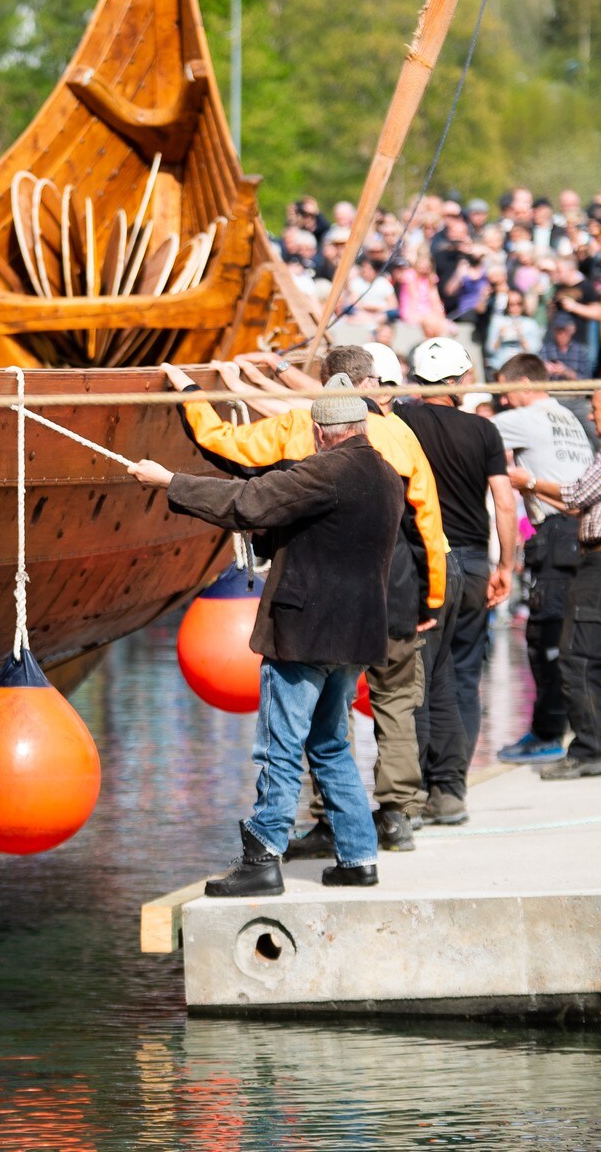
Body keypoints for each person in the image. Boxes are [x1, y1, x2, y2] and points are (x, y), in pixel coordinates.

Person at [128, 379, 404, 894]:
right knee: (330, 745)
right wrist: (272, 534)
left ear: (321, 431)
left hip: (304, 633)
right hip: (355, 635)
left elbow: (248, 501)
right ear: (360, 426)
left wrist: (169, 482)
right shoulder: (387, 475)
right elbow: (330, 535)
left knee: (279, 745)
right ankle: (358, 857)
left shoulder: (325, 470)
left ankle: (263, 858)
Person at [167, 344, 447, 852]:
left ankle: (314, 828)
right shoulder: (398, 436)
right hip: (393, 593)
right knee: (391, 708)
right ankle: (392, 820)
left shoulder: (302, 427)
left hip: (318, 607)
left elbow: (224, 446)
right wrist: (432, 598)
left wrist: (189, 393)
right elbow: (428, 524)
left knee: (314, 731)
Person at [507, 387, 601, 780]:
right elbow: (579, 506)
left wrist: (530, 478)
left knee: (577, 656)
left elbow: (576, 494)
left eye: (594, 409)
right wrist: (532, 487)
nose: (590, 417)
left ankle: (591, 751)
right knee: (591, 659)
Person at [396, 337, 519, 824]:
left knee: (421, 678)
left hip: (426, 562)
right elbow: (505, 502)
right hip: (472, 565)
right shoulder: (484, 430)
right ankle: (451, 788)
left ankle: (418, 790)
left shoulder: (401, 420)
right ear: (459, 380)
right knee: (462, 676)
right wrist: (506, 565)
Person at [491, 352, 594, 764]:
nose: (502, 400)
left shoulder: (525, 418)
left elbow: (470, 434)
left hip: (556, 533)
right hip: (576, 533)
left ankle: (548, 733)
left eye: (504, 391)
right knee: (560, 634)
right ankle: (558, 727)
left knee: (545, 636)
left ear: (523, 384)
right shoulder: (568, 418)